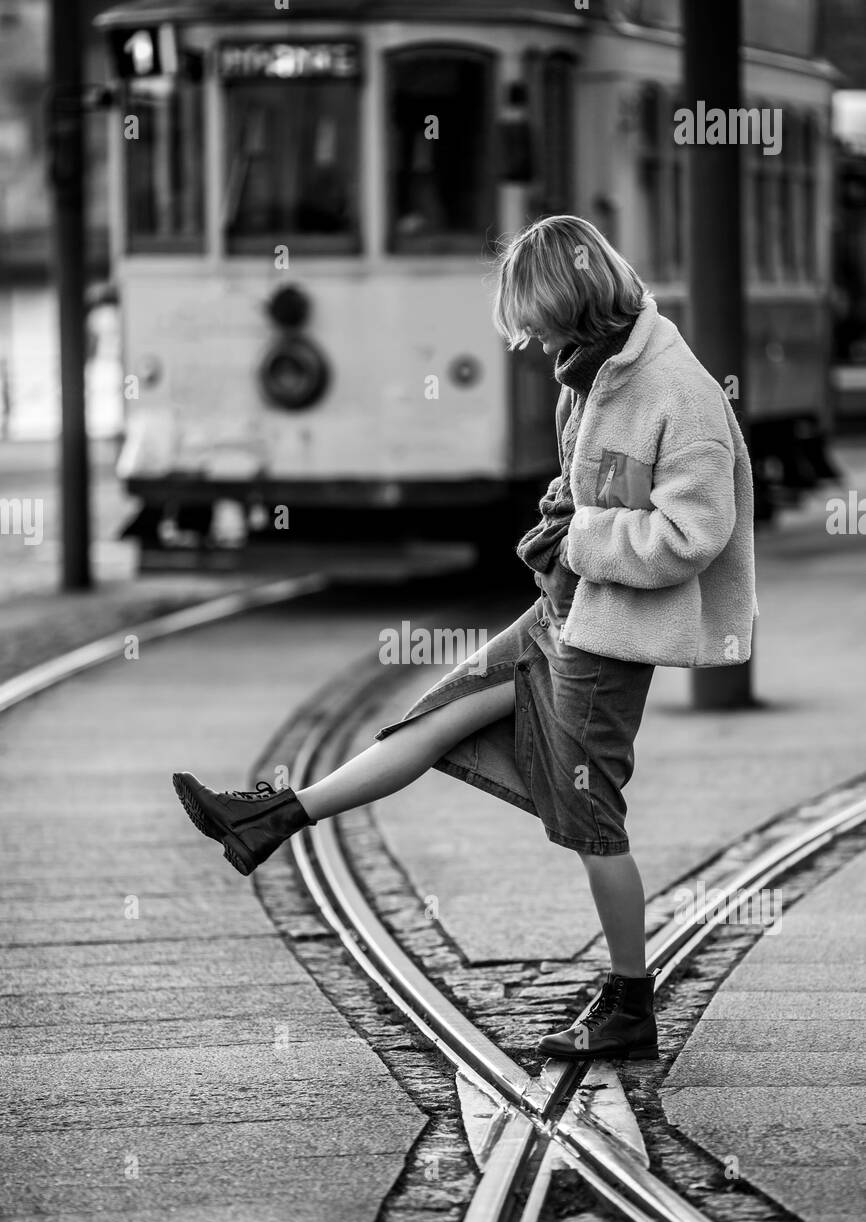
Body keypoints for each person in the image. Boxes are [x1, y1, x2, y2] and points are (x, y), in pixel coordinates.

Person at [173, 215, 757, 1063]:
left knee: (596, 826)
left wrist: (580, 536)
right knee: (431, 718)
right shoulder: (586, 375)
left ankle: (630, 1005)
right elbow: (590, 484)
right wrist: (558, 516)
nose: (530, 341)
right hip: (561, 614)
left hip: (606, 640)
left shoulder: (679, 393)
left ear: (578, 304)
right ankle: (268, 817)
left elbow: (692, 535)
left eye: (539, 321)